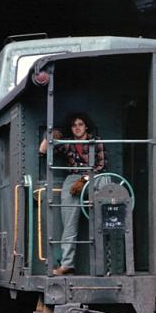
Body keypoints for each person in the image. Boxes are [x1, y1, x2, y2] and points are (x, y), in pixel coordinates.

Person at [39, 112, 106, 276]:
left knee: (106, 184)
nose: (77, 128)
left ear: (86, 126)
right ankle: (67, 265)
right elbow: (42, 152)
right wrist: (49, 136)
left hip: (94, 177)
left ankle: (105, 264)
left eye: (80, 124)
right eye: (74, 125)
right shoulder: (67, 143)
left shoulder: (96, 142)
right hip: (73, 179)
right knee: (69, 222)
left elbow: (102, 166)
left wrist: (85, 179)